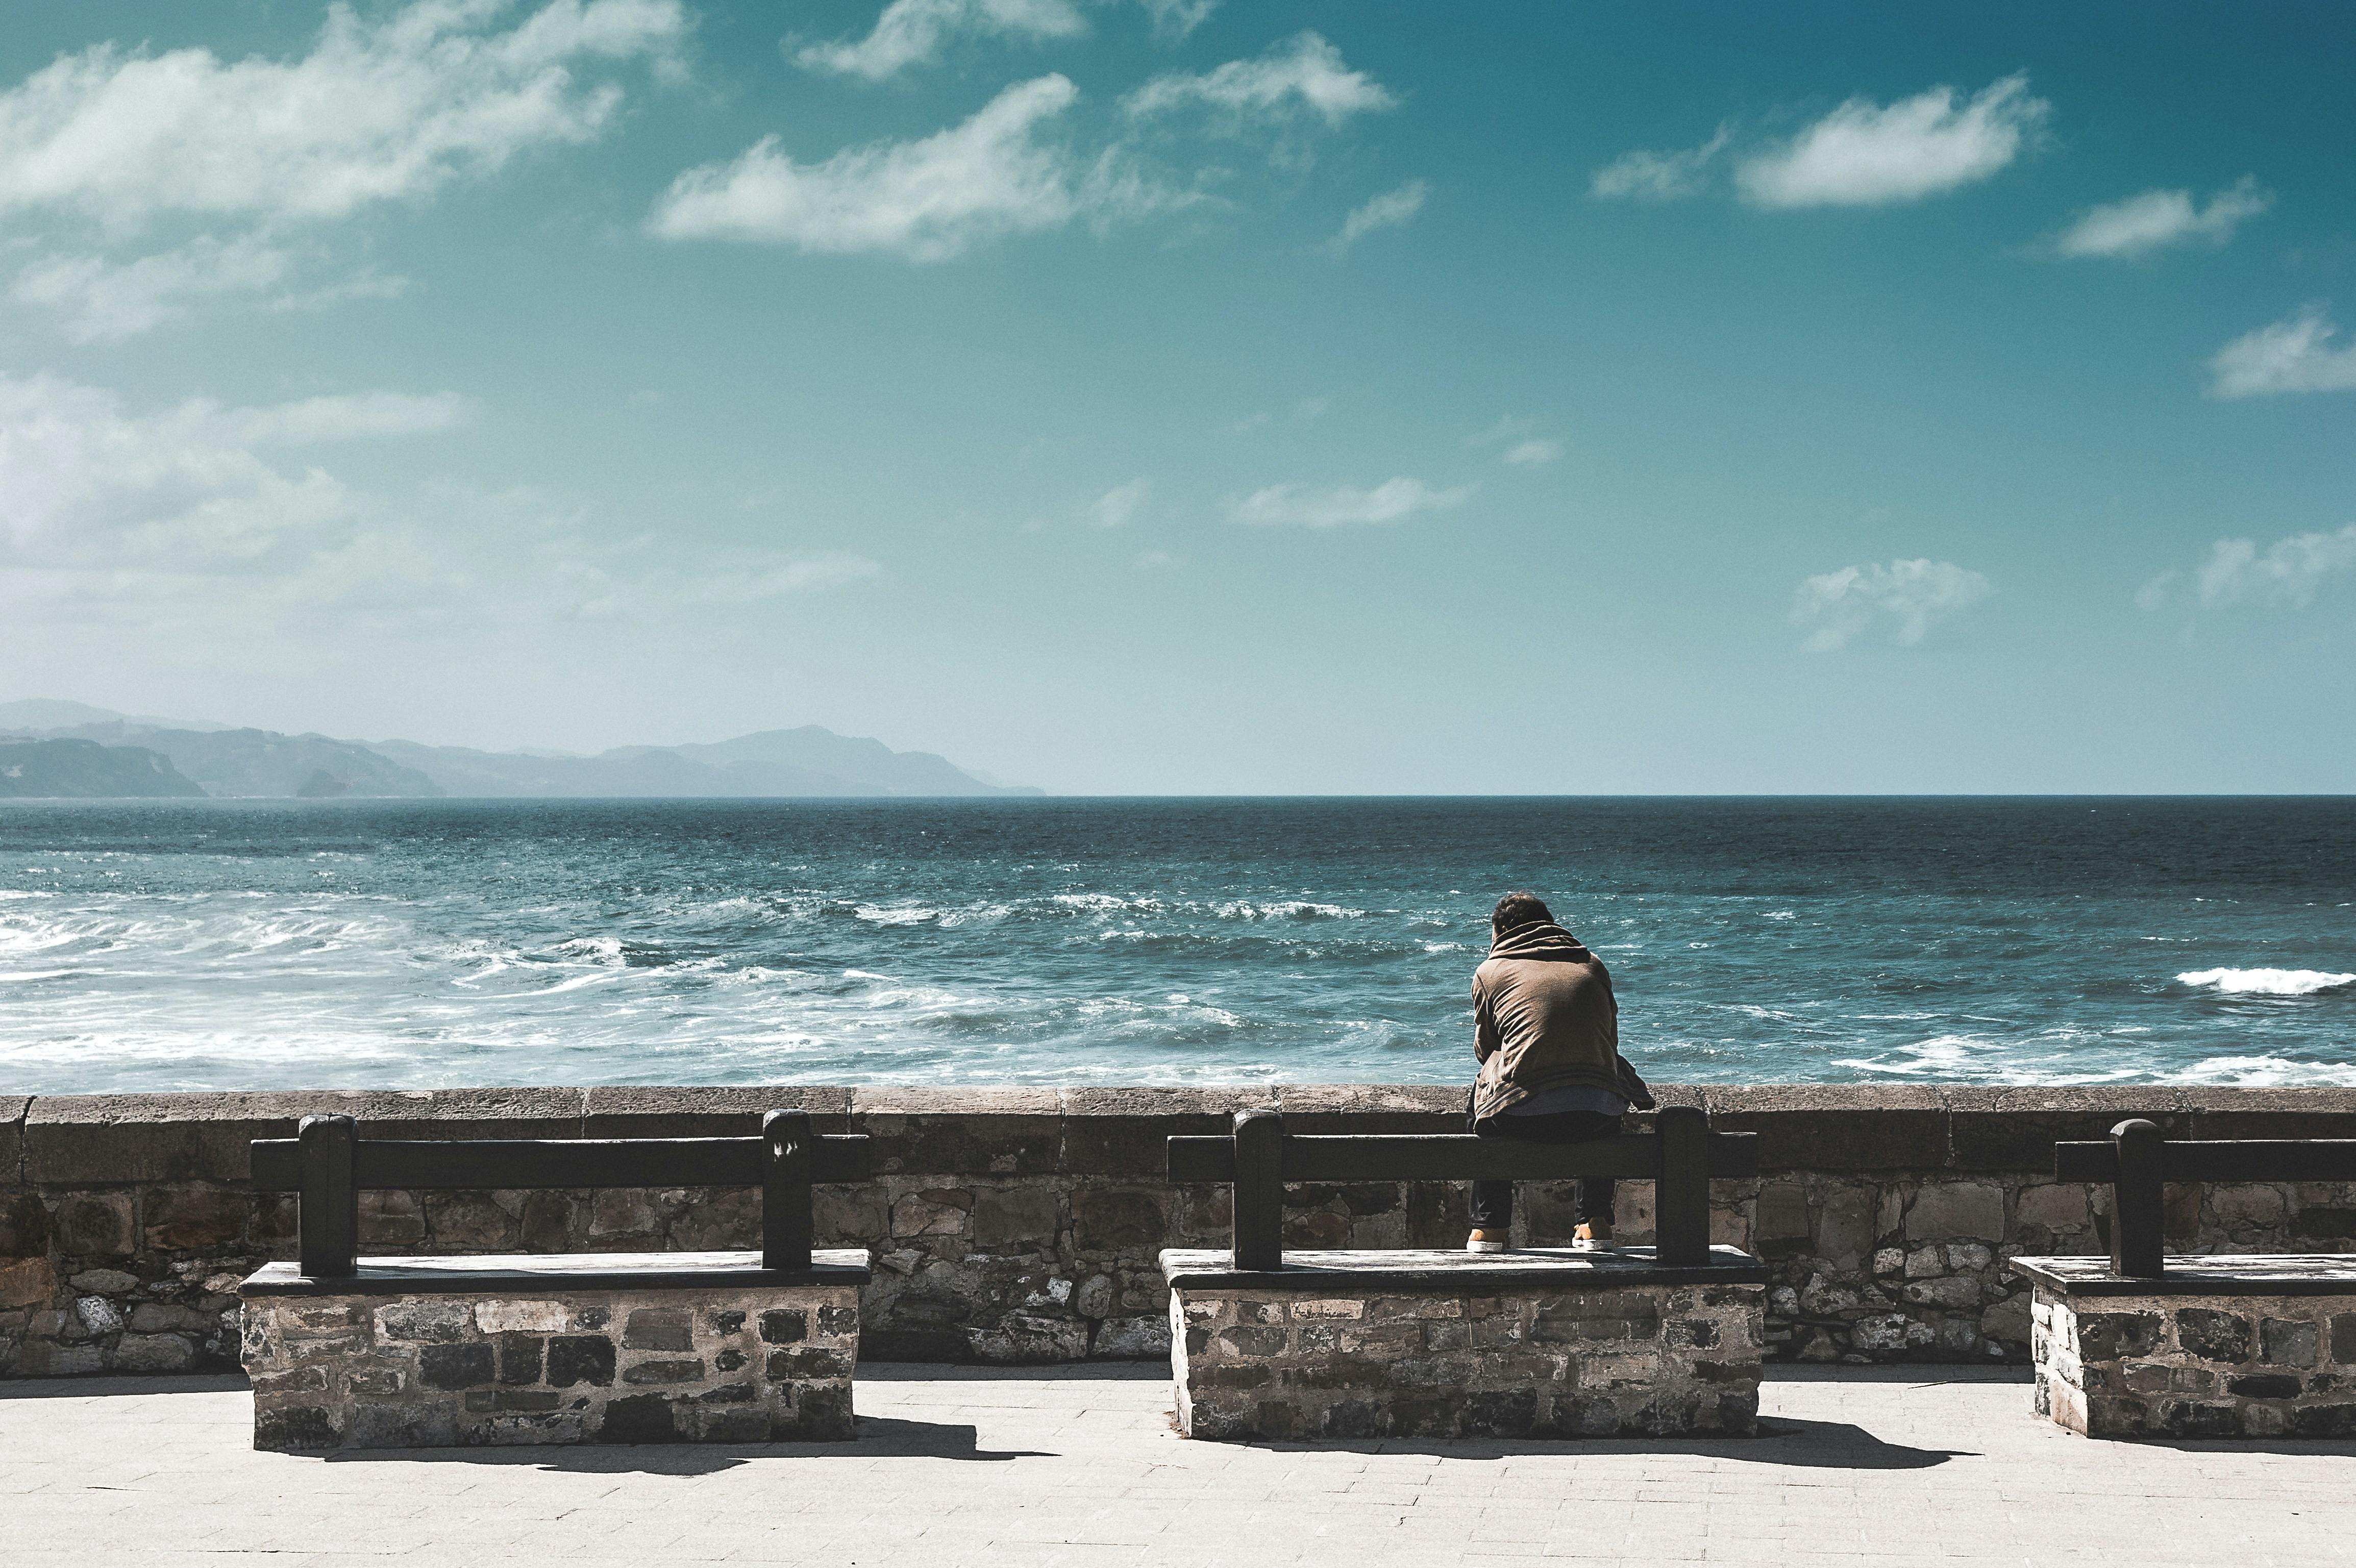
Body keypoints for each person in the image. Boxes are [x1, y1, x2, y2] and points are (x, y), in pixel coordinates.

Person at [1465, 891, 1649, 1254]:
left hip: (1521, 1119)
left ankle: (1489, 1227)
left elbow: (1484, 1050)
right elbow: (1609, 1040)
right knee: (1601, 1077)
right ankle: (1593, 1221)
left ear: (1500, 931)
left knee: (1482, 1097)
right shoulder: (1592, 965)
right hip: (1595, 1117)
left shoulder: (1489, 971)